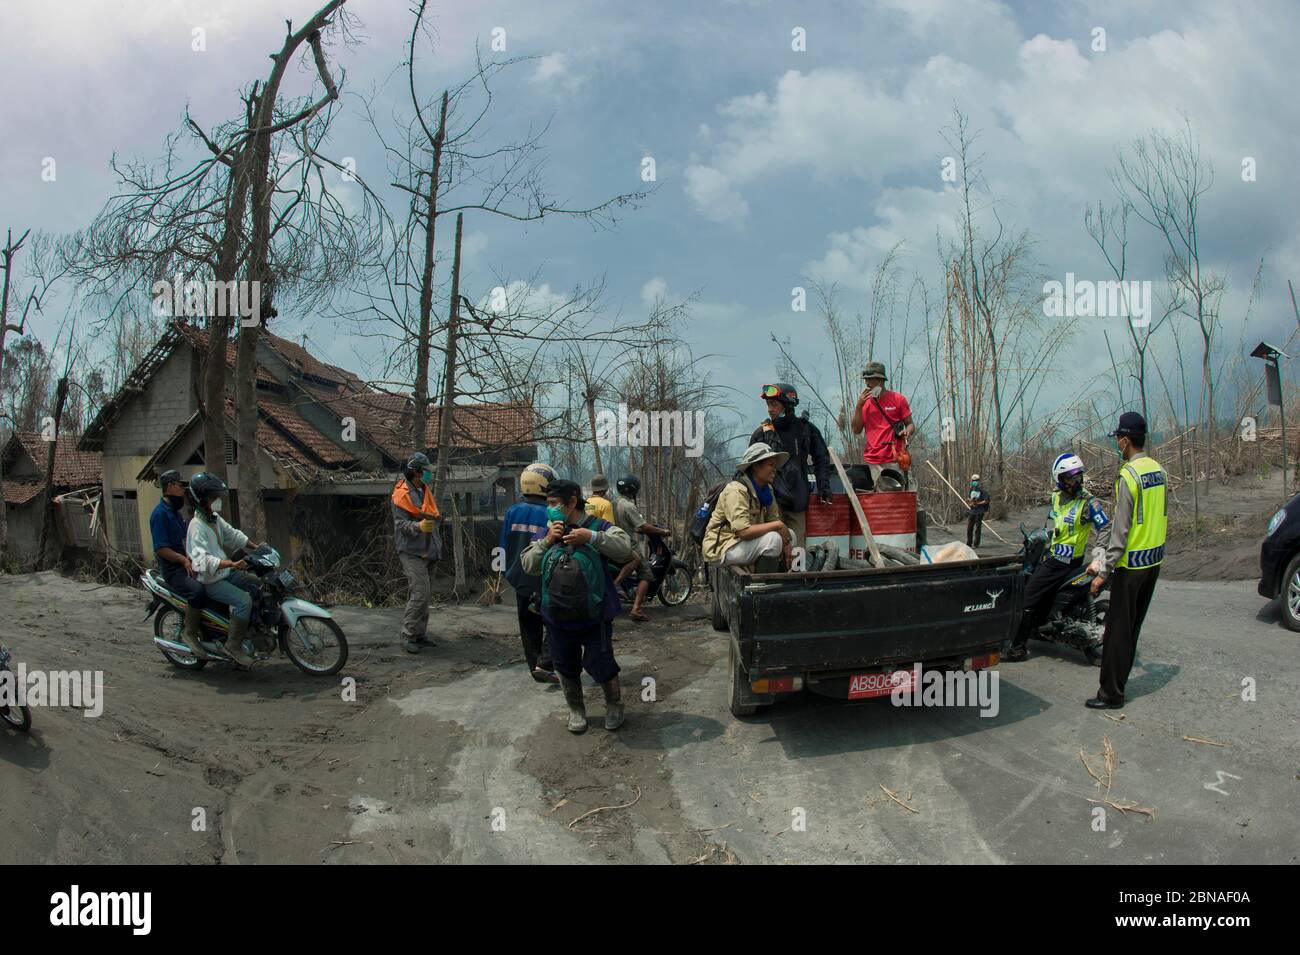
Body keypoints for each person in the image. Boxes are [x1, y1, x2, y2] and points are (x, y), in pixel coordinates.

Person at [520, 478, 633, 733]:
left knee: (602, 663)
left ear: (572, 502)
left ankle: (614, 705)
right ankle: (576, 710)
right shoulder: (550, 530)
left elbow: (626, 548)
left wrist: (591, 537)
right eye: (548, 503)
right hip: (557, 616)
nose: (550, 509)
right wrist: (547, 540)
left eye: (554, 503)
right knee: (565, 664)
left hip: (595, 615)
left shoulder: (597, 526)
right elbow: (527, 563)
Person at [1085, 412, 1167, 708]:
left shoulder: (1128, 475)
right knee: (1132, 629)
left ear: (1125, 440)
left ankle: (1110, 694)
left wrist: (1102, 572)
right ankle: (1119, 684)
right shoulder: (1159, 470)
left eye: (1118, 440)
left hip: (1131, 566)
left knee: (1117, 632)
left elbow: (1120, 531)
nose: (1117, 445)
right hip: (1154, 563)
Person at [1005, 453, 1110, 662]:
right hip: (1052, 557)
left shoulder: (1089, 502)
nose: (1077, 482)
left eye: (1079, 476)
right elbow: (1056, 525)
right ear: (1060, 479)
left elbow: (1106, 527)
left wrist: (1099, 556)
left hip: (1061, 564)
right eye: (1071, 478)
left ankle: (1017, 648)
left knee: (1026, 599)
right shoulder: (1055, 497)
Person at [185, 472, 265, 667]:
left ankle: (252, 629)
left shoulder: (213, 519)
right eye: (213, 497)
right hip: (211, 581)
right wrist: (231, 564)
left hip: (225, 573)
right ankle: (233, 645)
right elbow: (201, 562)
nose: (217, 501)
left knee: (257, 584)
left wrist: (257, 547)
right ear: (201, 500)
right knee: (244, 601)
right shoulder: (197, 527)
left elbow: (233, 535)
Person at [750, 383, 831, 548]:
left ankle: (797, 574)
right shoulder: (762, 433)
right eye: (768, 405)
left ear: (787, 406)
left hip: (797, 501)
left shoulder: (805, 430)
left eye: (774, 404)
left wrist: (824, 485)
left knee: (797, 550)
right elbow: (748, 468)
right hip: (768, 503)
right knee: (772, 548)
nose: (769, 409)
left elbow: (821, 458)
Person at [500, 462, 559, 684]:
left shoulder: (512, 511)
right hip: (543, 579)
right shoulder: (549, 513)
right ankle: (545, 662)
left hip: (519, 578)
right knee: (553, 622)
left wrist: (509, 573)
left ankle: (534, 667)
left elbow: (503, 545)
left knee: (527, 625)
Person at [702, 443, 795, 573]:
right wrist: (778, 526)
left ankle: (780, 581)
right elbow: (743, 532)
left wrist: (786, 541)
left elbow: (773, 521)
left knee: (790, 535)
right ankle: (763, 587)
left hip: (743, 544)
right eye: (770, 465)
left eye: (775, 466)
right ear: (756, 466)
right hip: (723, 547)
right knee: (773, 540)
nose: (775, 469)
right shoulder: (736, 490)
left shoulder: (767, 490)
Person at [149, 469, 207, 659]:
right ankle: (189, 634)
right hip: (174, 571)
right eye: (180, 485)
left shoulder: (176, 513)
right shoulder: (160, 514)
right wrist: (183, 560)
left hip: (188, 564)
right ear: (170, 486)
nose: (183, 489)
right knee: (197, 591)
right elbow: (161, 549)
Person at [392, 452, 442, 654]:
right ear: (415, 472)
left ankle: (420, 633)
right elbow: (399, 524)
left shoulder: (424, 490)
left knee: (426, 594)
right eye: (425, 471)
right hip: (411, 551)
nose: (429, 475)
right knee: (420, 593)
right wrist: (419, 526)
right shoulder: (401, 494)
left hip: (429, 548)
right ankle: (407, 634)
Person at [611, 474, 672, 622]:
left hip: (613, 542)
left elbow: (627, 524)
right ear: (633, 489)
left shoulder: (613, 503)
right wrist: (663, 532)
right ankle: (636, 609)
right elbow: (643, 526)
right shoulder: (628, 506)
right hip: (628, 545)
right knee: (646, 575)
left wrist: (638, 529)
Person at [850, 361, 914, 487]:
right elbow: (856, 430)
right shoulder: (864, 403)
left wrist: (907, 431)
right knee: (881, 498)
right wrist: (858, 406)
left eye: (870, 380)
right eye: (866, 380)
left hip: (895, 459)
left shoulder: (898, 399)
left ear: (881, 380)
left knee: (900, 496)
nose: (867, 383)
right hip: (873, 461)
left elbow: (910, 424)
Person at [967, 474, 990, 548]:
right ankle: (969, 544)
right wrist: (971, 502)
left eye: (976, 480)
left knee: (977, 529)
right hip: (972, 511)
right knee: (969, 529)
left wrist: (978, 503)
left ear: (979, 481)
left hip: (979, 512)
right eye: (973, 480)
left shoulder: (983, 491)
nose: (974, 482)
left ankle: (976, 544)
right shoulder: (971, 490)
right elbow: (969, 498)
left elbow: (986, 501)